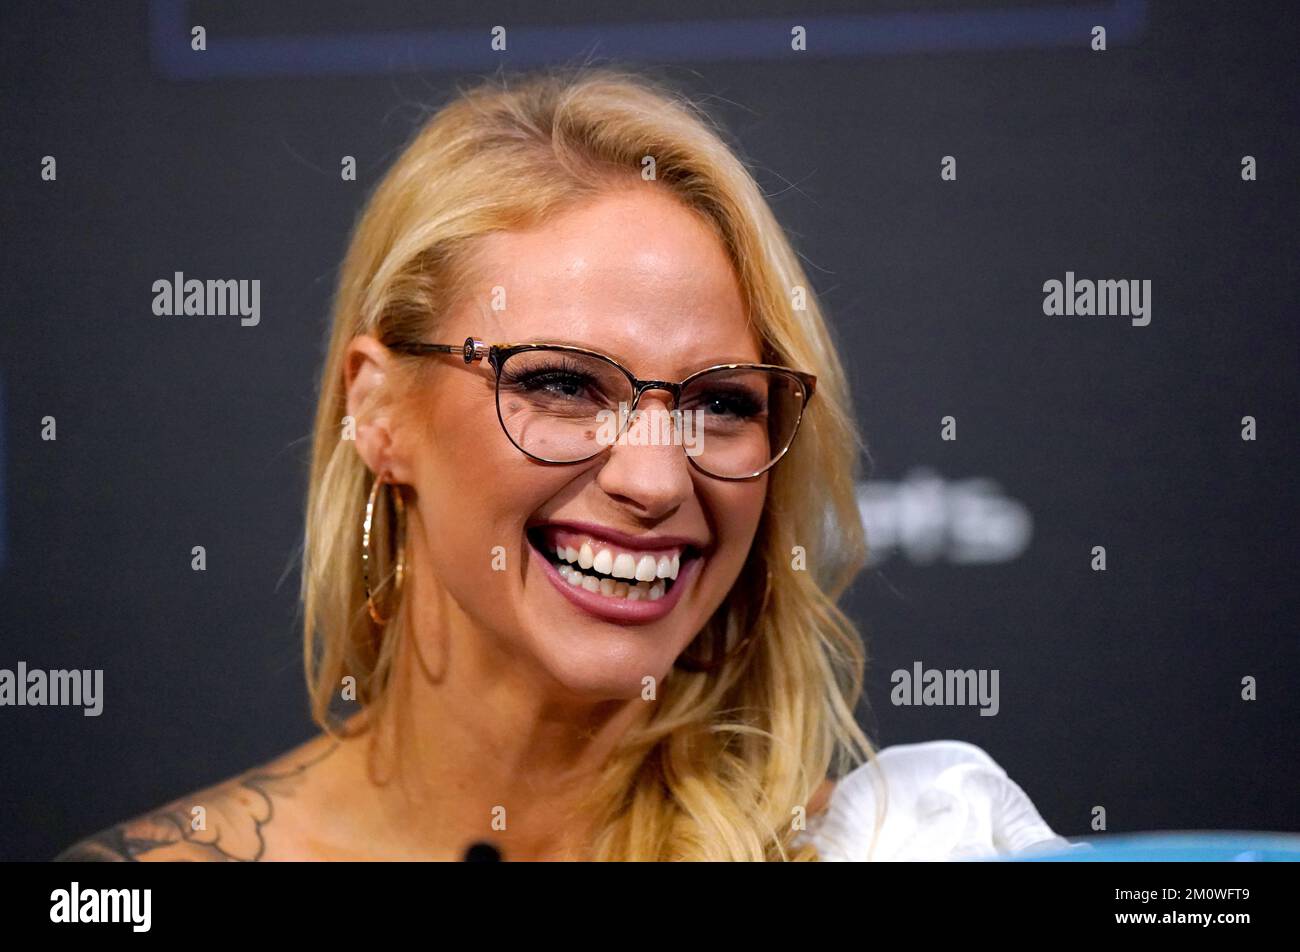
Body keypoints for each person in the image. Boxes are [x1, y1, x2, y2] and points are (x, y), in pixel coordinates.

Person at [54, 66, 1070, 862]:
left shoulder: (894, 845)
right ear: (379, 410)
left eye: (721, 403)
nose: (656, 480)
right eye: (563, 384)